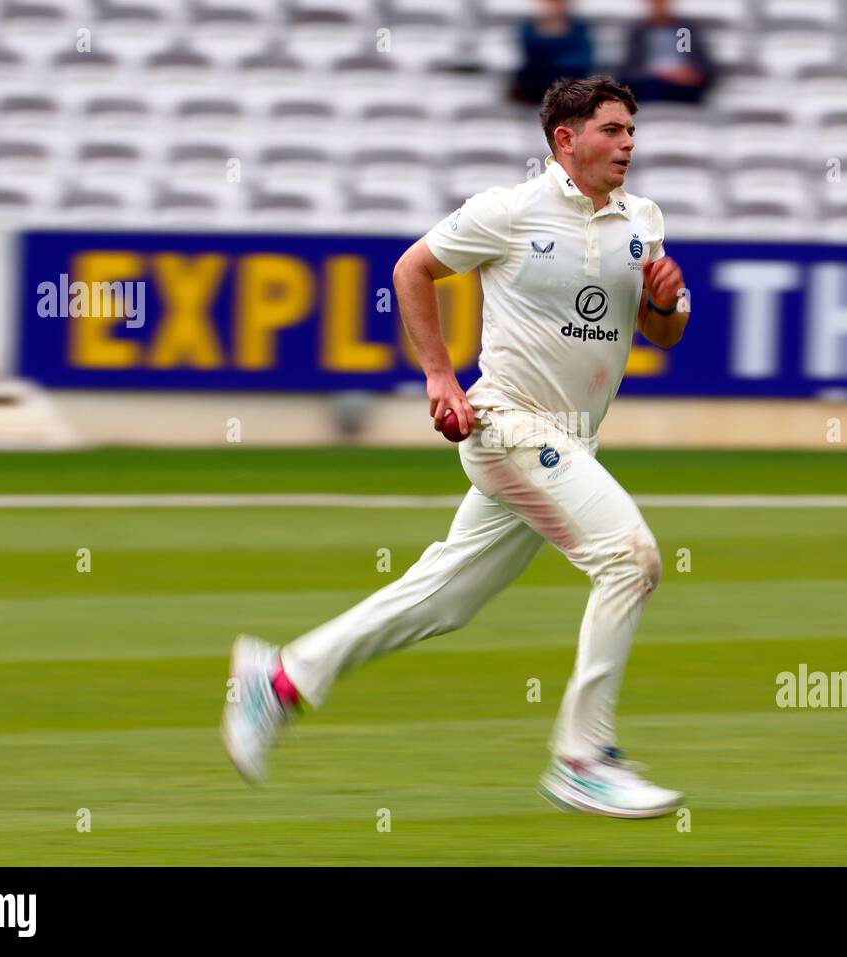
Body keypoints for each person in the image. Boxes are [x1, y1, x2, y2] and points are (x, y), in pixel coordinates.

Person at [221, 75, 692, 819]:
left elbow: (661, 332)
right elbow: (413, 268)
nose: (628, 142)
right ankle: (582, 756)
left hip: (571, 445)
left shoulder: (643, 220)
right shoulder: (509, 211)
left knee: (441, 599)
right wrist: (439, 374)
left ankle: (278, 678)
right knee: (631, 558)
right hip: (505, 425)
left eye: (632, 129)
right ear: (564, 140)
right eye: (611, 129)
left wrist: (664, 301)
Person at [620, 0, 716, 103]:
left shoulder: (683, 29)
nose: (660, 6)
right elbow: (630, 69)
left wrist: (687, 73)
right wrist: (661, 74)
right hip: (649, 82)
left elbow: (693, 58)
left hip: (683, 82)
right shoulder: (639, 31)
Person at [511, 0, 595, 104]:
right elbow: (527, 61)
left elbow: (581, 62)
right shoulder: (528, 29)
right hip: (534, 89)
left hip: (570, 89)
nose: (553, 7)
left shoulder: (579, 29)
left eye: (557, 3)